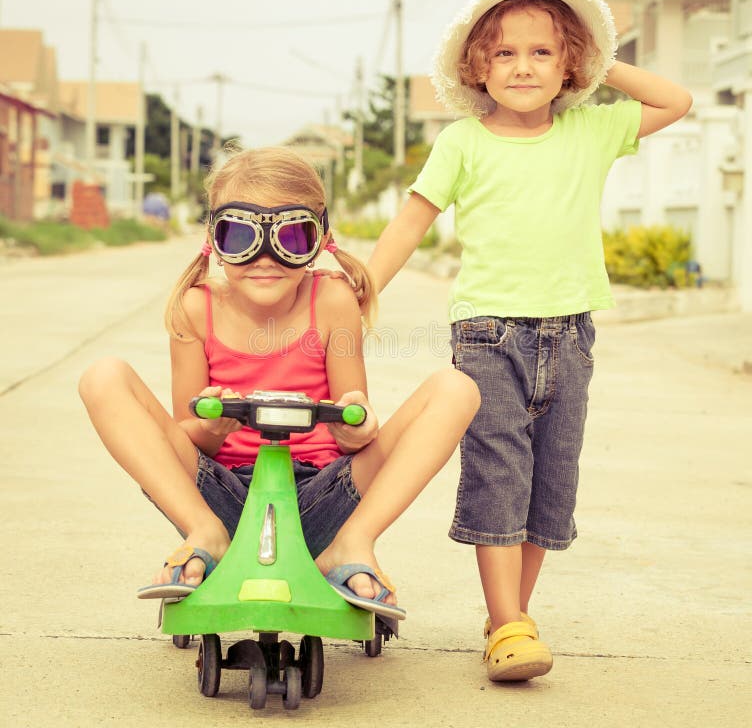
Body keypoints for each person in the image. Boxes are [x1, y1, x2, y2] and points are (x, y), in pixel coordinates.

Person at [367, 0, 692, 677]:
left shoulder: (591, 131)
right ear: (478, 67)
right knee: (498, 475)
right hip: (488, 334)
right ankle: (511, 621)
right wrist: (359, 290)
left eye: (543, 52)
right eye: (504, 53)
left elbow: (676, 100)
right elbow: (411, 222)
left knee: (551, 486)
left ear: (571, 65)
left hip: (570, 336)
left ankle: (509, 620)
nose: (522, 67)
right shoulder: (463, 142)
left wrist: (603, 66)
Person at [79, 145, 480, 618]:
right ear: (213, 239)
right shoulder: (196, 308)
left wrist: (358, 428)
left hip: (324, 497)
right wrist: (209, 429)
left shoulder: (332, 300)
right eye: (241, 237)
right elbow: (184, 438)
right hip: (222, 500)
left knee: (457, 389)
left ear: (320, 238)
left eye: (290, 237)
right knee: (103, 377)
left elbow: (354, 421)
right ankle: (202, 533)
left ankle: (352, 544)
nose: (265, 258)